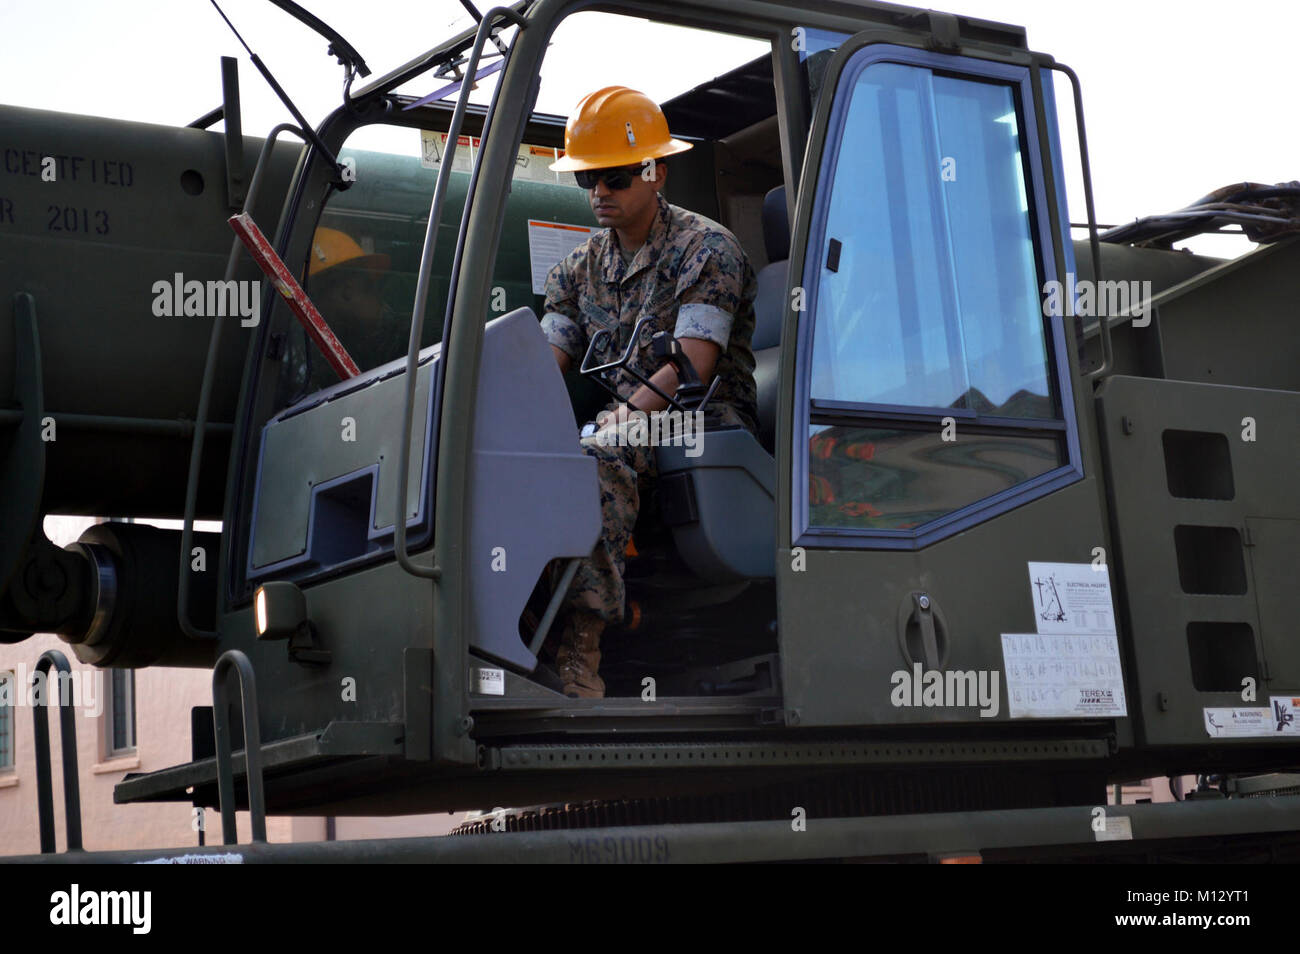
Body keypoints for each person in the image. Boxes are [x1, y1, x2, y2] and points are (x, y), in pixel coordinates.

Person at [540, 86, 758, 698]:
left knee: (602, 452)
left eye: (613, 177)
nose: (599, 193)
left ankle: (581, 645)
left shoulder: (707, 249)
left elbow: (693, 362)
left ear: (654, 171)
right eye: (589, 179)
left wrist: (616, 421)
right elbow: (543, 363)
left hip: (705, 417)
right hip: (629, 417)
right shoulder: (575, 270)